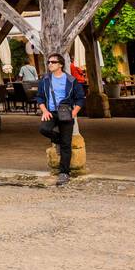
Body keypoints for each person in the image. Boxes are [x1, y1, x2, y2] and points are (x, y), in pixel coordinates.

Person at [37, 53, 85, 186]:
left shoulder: (71, 80)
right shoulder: (45, 80)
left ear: (60, 65)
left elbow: (80, 98)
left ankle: (64, 173)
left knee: (66, 145)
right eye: (49, 62)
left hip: (66, 113)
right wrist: (45, 111)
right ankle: (58, 138)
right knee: (44, 129)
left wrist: (74, 113)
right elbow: (40, 97)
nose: (50, 64)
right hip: (51, 113)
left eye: (53, 62)